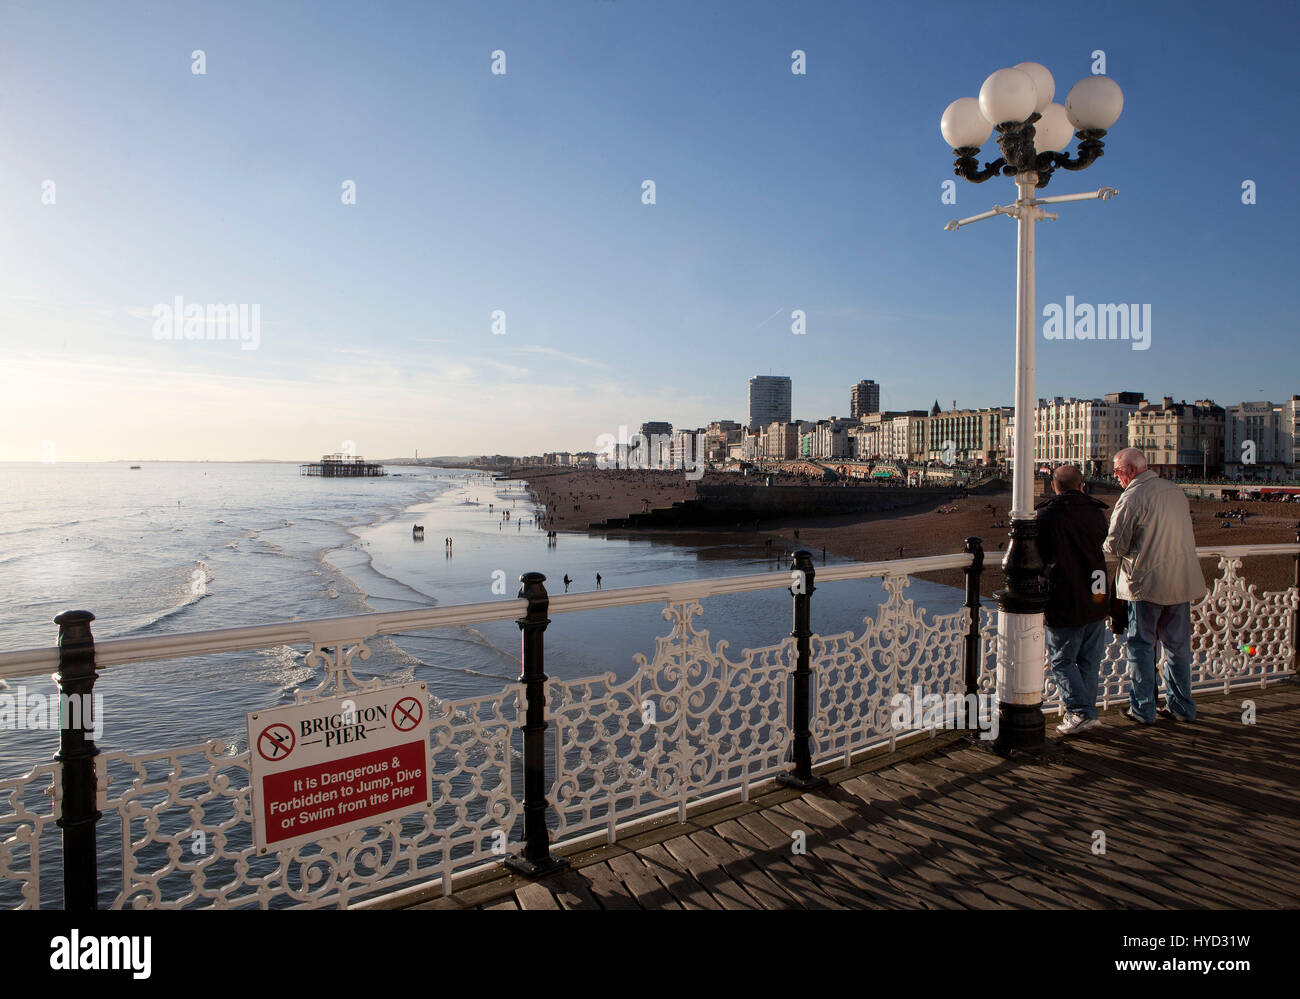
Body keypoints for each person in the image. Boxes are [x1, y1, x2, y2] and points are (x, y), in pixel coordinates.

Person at [1104, 447, 1206, 724]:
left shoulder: (1132, 496)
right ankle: (1182, 706)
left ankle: (1143, 709)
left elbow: (1115, 545)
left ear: (1130, 471)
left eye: (1117, 472)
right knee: (1177, 647)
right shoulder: (1174, 490)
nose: (1116, 478)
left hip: (1146, 584)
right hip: (1181, 580)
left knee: (1141, 646)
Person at [1035, 465, 1109, 735]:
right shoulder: (1097, 513)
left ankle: (1081, 712)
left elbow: (1038, 553)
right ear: (1082, 486)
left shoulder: (1046, 516)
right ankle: (1085, 714)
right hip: (1097, 594)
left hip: (1065, 596)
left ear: (1054, 486)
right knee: (1090, 660)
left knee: (1062, 660)